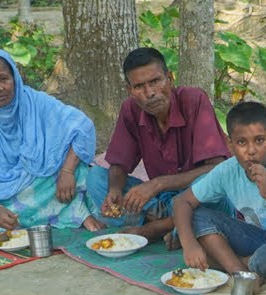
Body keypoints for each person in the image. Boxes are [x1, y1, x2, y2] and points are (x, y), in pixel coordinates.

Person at [87, 47, 231, 243]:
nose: (149, 93)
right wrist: (115, 190)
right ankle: (175, 225)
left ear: (169, 79)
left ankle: (153, 229)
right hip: (162, 203)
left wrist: (157, 184)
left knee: (211, 187)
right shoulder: (130, 110)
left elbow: (217, 169)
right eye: (139, 87)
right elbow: (119, 163)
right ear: (130, 91)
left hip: (195, 198)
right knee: (96, 177)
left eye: (155, 81)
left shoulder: (194, 99)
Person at [0, 49, 103, 238]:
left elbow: (83, 127)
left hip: (44, 185)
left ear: (15, 78)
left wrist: (66, 171)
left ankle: (67, 213)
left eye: (4, 79)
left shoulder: (37, 102)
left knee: (81, 171)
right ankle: (68, 214)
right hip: (1, 199)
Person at [172, 101, 266, 278]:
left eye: (259, 140)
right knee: (197, 215)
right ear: (230, 144)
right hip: (256, 239)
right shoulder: (227, 170)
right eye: (241, 142)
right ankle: (242, 272)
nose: (251, 151)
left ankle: (232, 265)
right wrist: (189, 244)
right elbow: (182, 201)